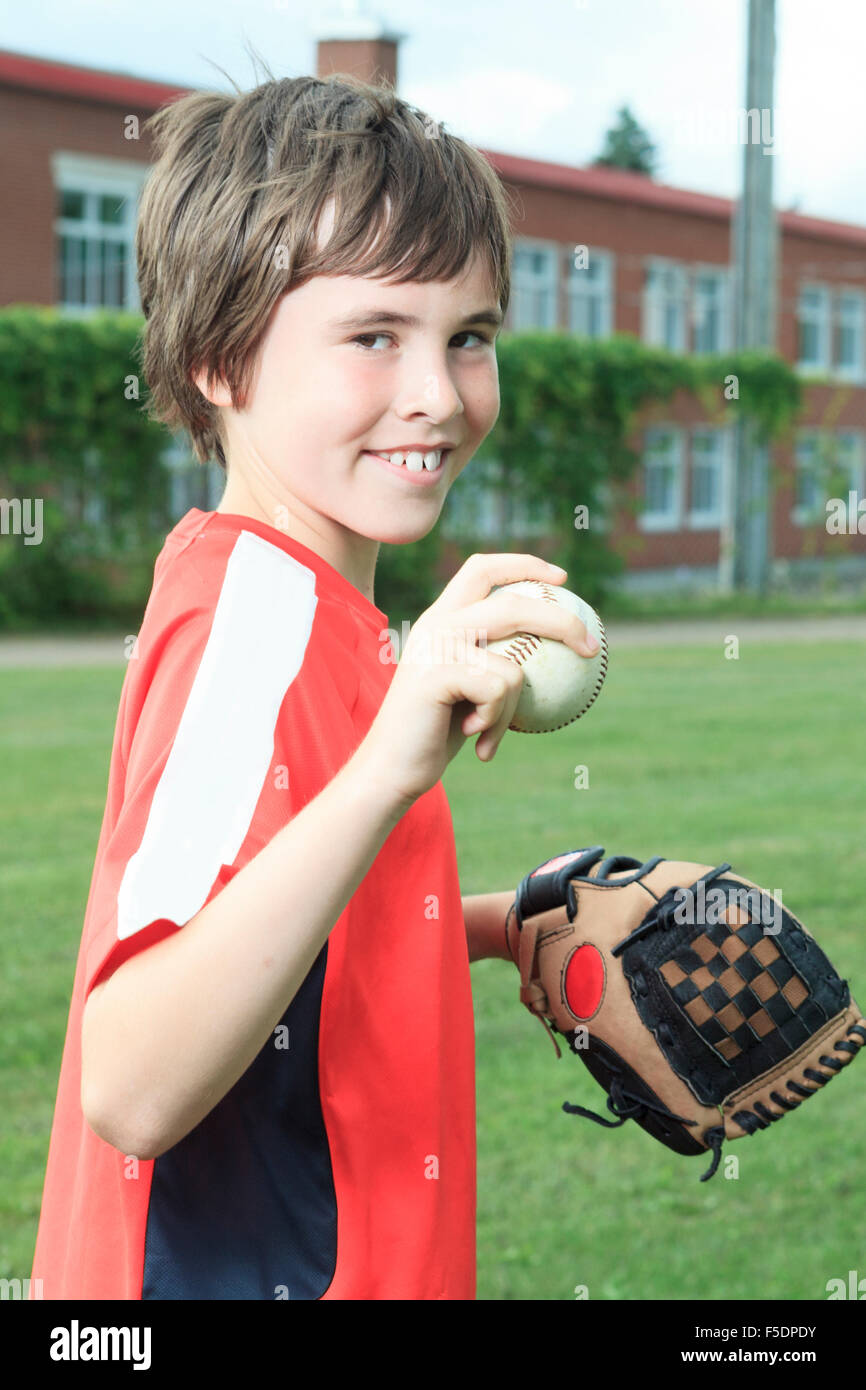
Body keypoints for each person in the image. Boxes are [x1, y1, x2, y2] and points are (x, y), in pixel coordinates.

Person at [31, 66, 598, 1300]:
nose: (437, 395)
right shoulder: (253, 627)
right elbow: (129, 1077)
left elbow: (284, 945)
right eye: (374, 336)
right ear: (221, 360)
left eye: (469, 337)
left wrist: (506, 929)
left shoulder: (310, 610)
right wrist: (395, 759)